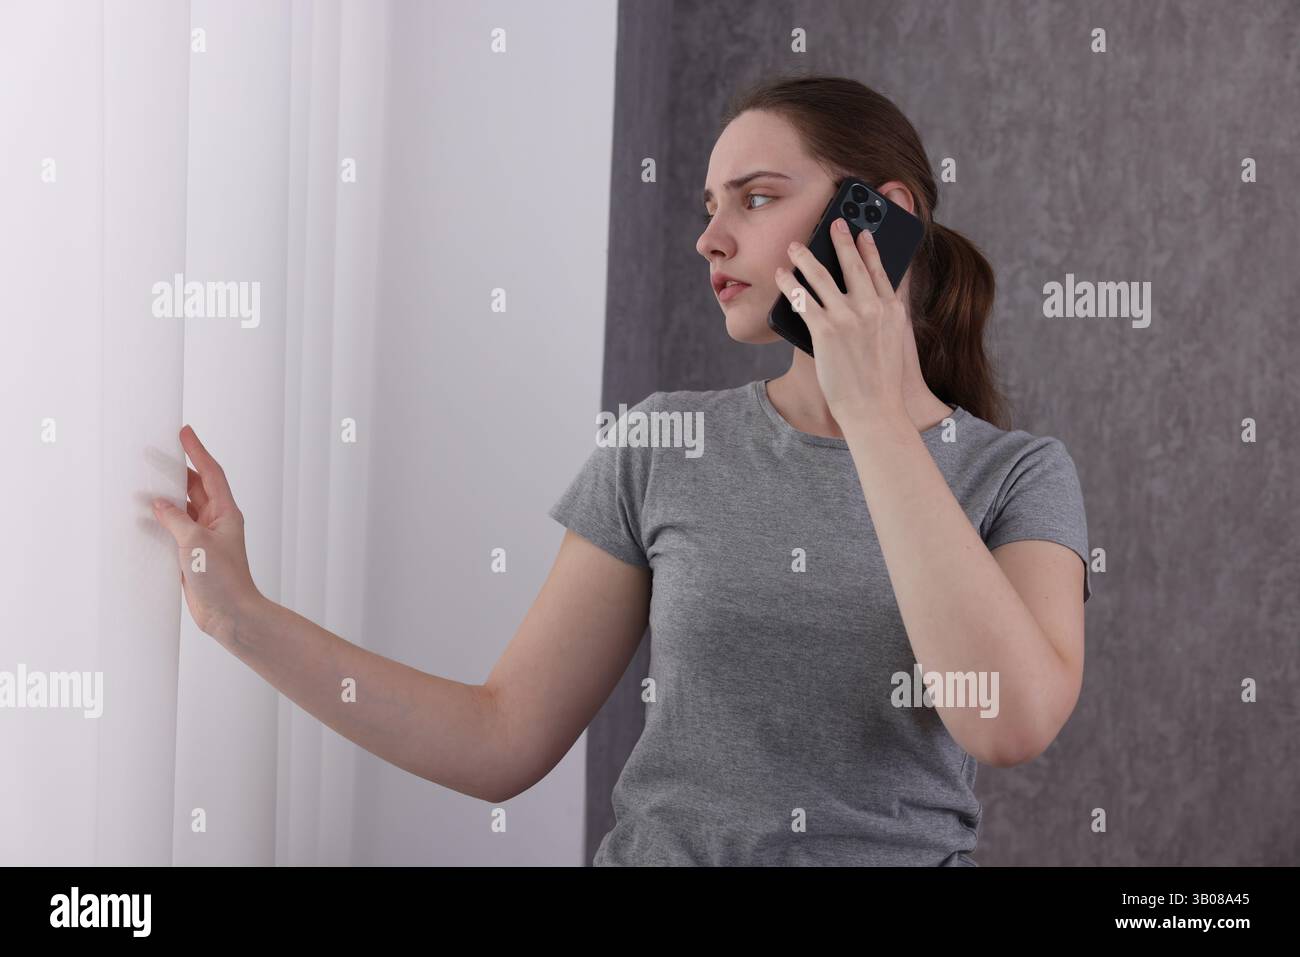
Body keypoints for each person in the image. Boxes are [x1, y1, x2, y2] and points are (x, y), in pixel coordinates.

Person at [154, 73, 1090, 867]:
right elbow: (501, 736)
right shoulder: (663, 444)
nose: (711, 238)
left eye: (756, 198)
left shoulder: (1017, 476)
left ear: (881, 218)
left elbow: (1006, 723)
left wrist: (876, 415)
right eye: (709, 207)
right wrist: (240, 616)